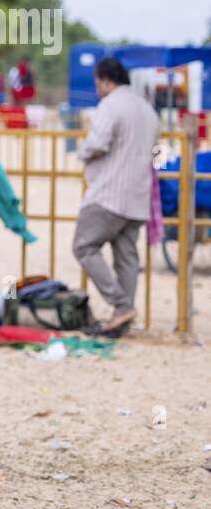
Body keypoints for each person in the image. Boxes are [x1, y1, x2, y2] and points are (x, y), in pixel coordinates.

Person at [73, 57, 159, 335]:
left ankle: (121, 306)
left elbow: (97, 144)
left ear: (106, 80)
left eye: (97, 82)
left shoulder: (111, 106)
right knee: (127, 259)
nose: (96, 87)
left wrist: (82, 151)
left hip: (109, 193)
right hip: (138, 196)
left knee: (84, 247)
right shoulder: (148, 110)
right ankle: (123, 321)